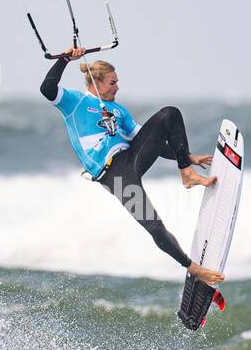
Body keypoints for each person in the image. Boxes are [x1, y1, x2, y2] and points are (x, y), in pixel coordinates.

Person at [39, 46, 225, 287]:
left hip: (131, 158)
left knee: (170, 113)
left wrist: (187, 157)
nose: (117, 87)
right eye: (112, 82)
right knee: (154, 225)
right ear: (96, 82)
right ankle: (193, 268)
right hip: (114, 175)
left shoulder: (119, 110)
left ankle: (187, 174)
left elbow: (151, 142)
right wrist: (65, 58)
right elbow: (47, 89)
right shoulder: (74, 102)